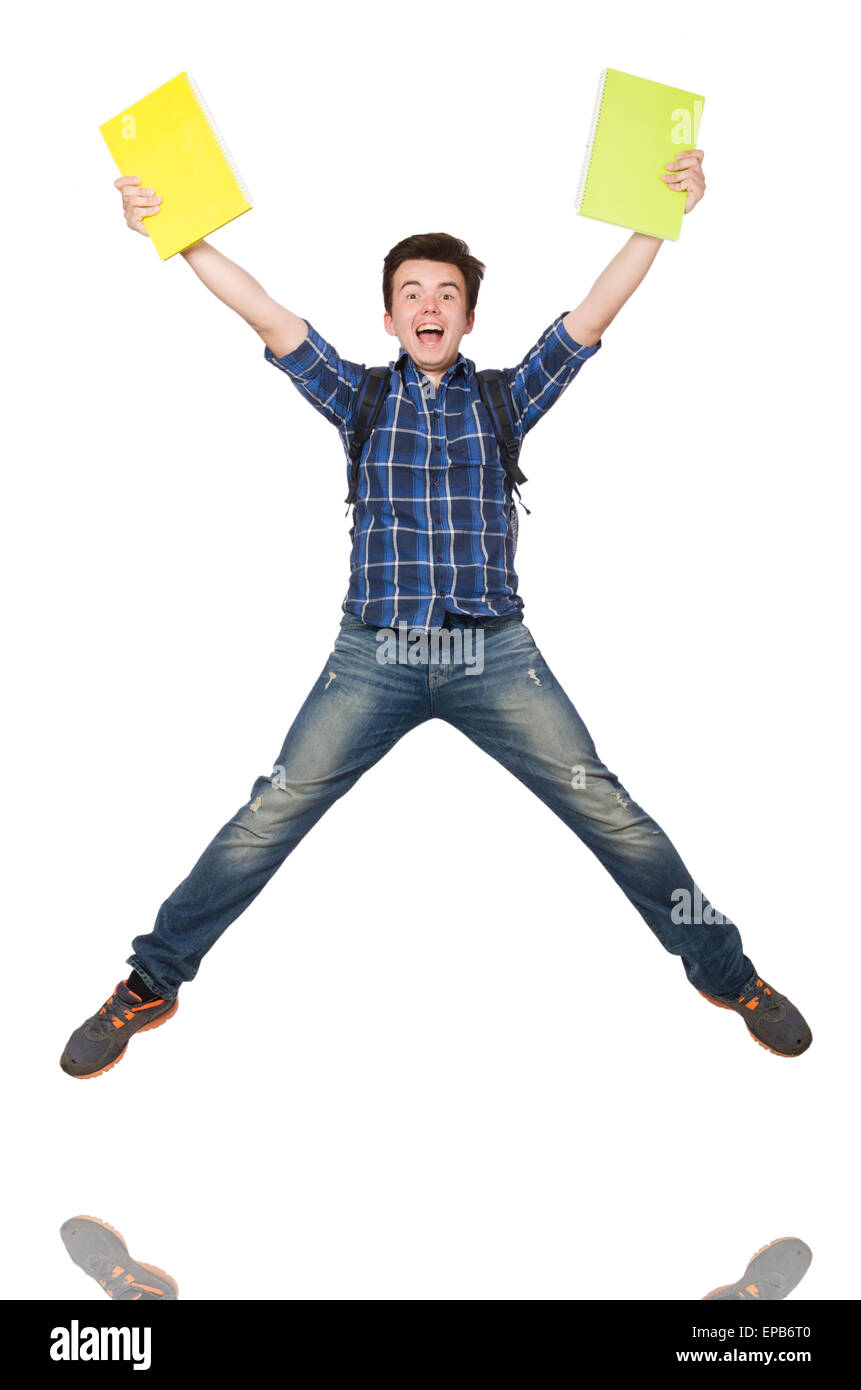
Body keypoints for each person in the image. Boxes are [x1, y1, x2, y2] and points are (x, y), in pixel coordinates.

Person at [60, 150, 811, 1080]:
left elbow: (593, 312)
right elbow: (262, 311)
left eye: (445, 293)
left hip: (494, 656)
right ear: (388, 316)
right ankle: (150, 979)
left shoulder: (504, 397)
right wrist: (177, 234)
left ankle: (727, 971)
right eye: (410, 292)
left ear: (465, 314)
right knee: (269, 815)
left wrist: (659, 217)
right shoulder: (359, 396)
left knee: (610, 813)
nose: (428, 306)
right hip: (373, 654)